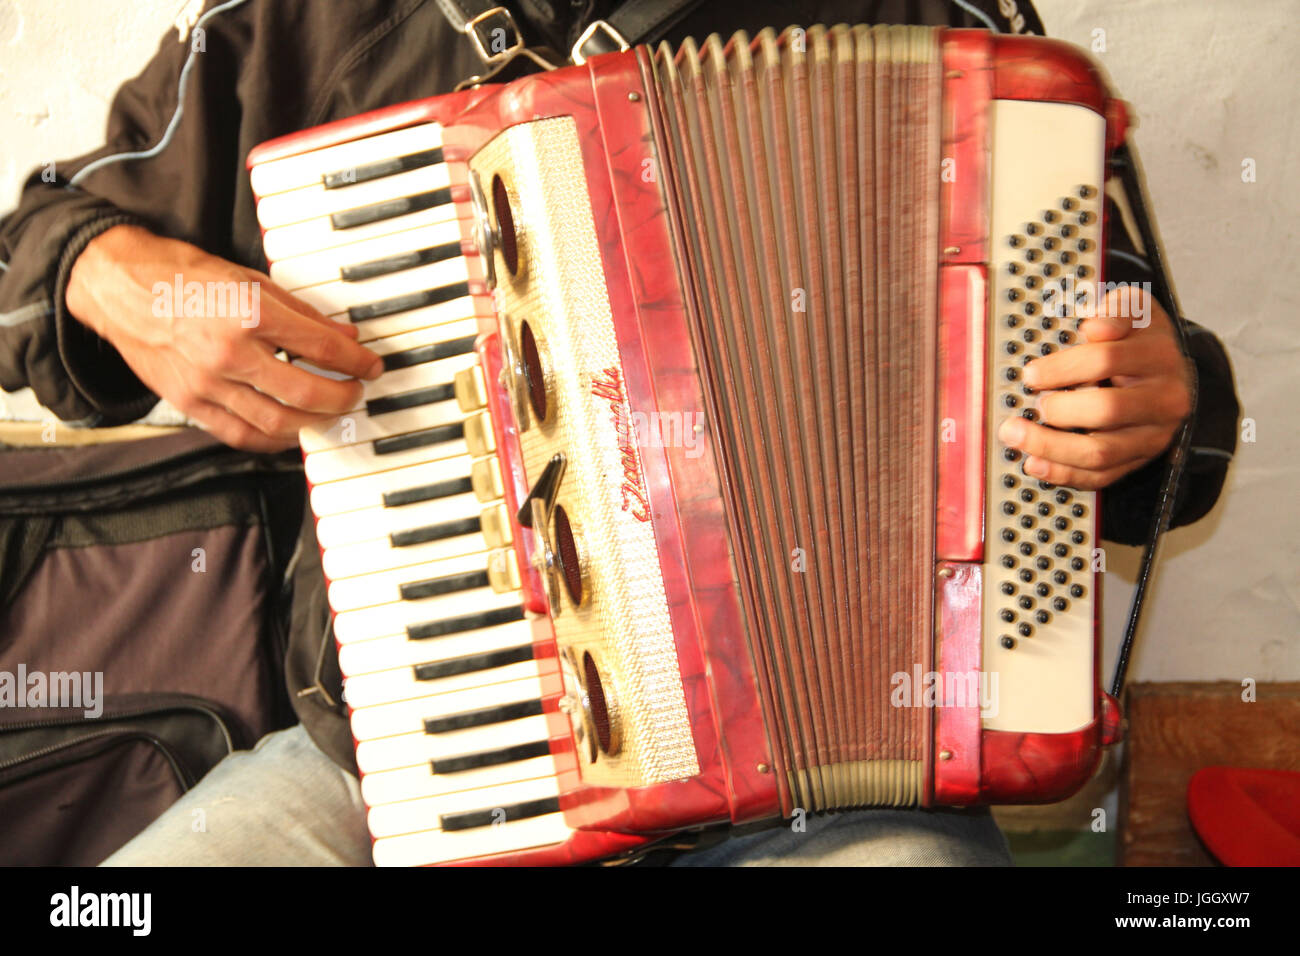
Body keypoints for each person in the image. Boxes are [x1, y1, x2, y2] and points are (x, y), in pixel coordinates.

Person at [0, 0, 1238, 866]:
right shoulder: (307, 19)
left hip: (829, 812)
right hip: (394, 775)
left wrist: (1155, 391)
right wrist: (121, 280)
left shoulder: (945, 33)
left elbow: (1137, 376)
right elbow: (35, 247)